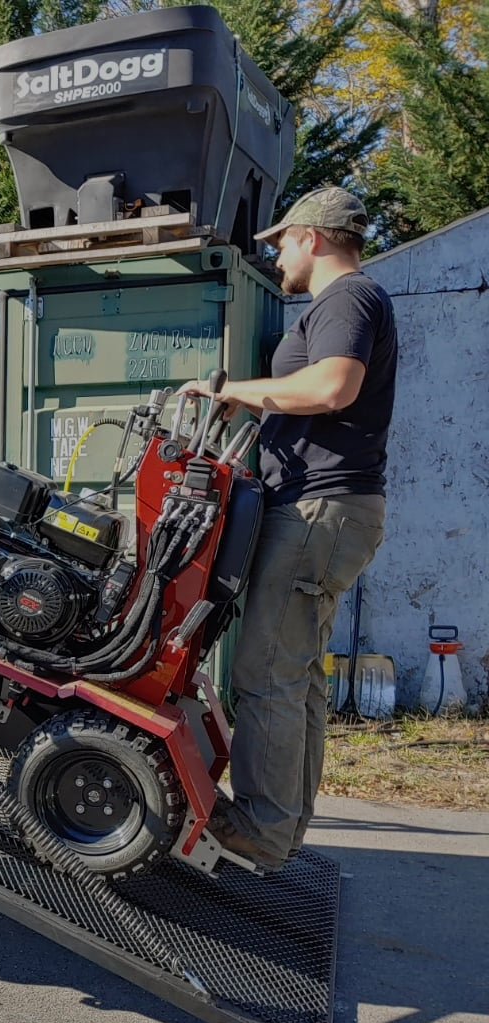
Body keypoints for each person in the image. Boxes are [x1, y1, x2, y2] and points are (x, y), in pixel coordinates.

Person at [179, 186, 396, 871]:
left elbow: (333, 387)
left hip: (318, 512)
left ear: (313, 238)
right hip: (330, 512)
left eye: (281, 245)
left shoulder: (348, 299)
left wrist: (232, 391)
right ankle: (286, 824)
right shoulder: (347, 302)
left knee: (266, 673)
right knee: (295, 676)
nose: (275, 258)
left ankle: (261, 828)